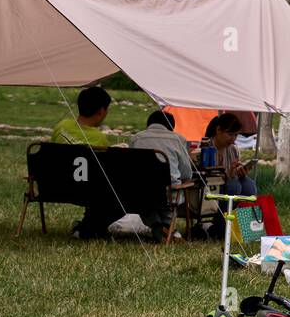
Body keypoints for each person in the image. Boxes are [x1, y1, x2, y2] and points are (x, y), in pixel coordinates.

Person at [50, 86, 122, 239]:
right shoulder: (99, 138)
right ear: (101, 111)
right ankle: (88, 229)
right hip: (88, 189)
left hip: (54, 185)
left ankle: (85, 227)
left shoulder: (61, 127)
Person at [131, 110, 193, 239]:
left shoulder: (136, 138)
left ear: (149, 124)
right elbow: (187, 173)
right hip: (168, 194)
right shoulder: (177, 139)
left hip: (139, 192)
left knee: (147, 197)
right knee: (173, 192)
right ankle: (167, 227)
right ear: (171, 127)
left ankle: (156, 225)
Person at [201, 112, 257, 197]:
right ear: (218, 130)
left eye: (236, 135)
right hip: (212, 187)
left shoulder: (233, 149)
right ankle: (223, 210)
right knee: (234, 187)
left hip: (230, 182)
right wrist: (229, 175)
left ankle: (240, 210)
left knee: (250, 186)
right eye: (230, 134)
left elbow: (235, 175)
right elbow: (205, 177)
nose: (233, 139)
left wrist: (241, 172)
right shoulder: (205, 148)